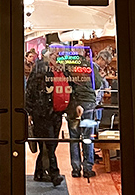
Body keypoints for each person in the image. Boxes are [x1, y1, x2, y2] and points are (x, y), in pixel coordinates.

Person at [24, 47, 69, 186]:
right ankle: (54, 173)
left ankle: (39, 172)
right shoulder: (40, 68)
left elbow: (69, 88)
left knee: (50, 144)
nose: (58, 58)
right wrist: (29, 112)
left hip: (57, 112)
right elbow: (30, 90)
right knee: (49, 144)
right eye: (56, 55)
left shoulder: (63, 71)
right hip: (42, 113)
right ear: (49, 56)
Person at [67, 51, 104, 179]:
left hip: (73, 104)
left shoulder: (68, 68)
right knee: (88, 137)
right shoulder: (90, 66)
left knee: (74, 138)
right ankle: (88, 168)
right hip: (88, 103)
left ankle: (75, 169)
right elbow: (99, 84)